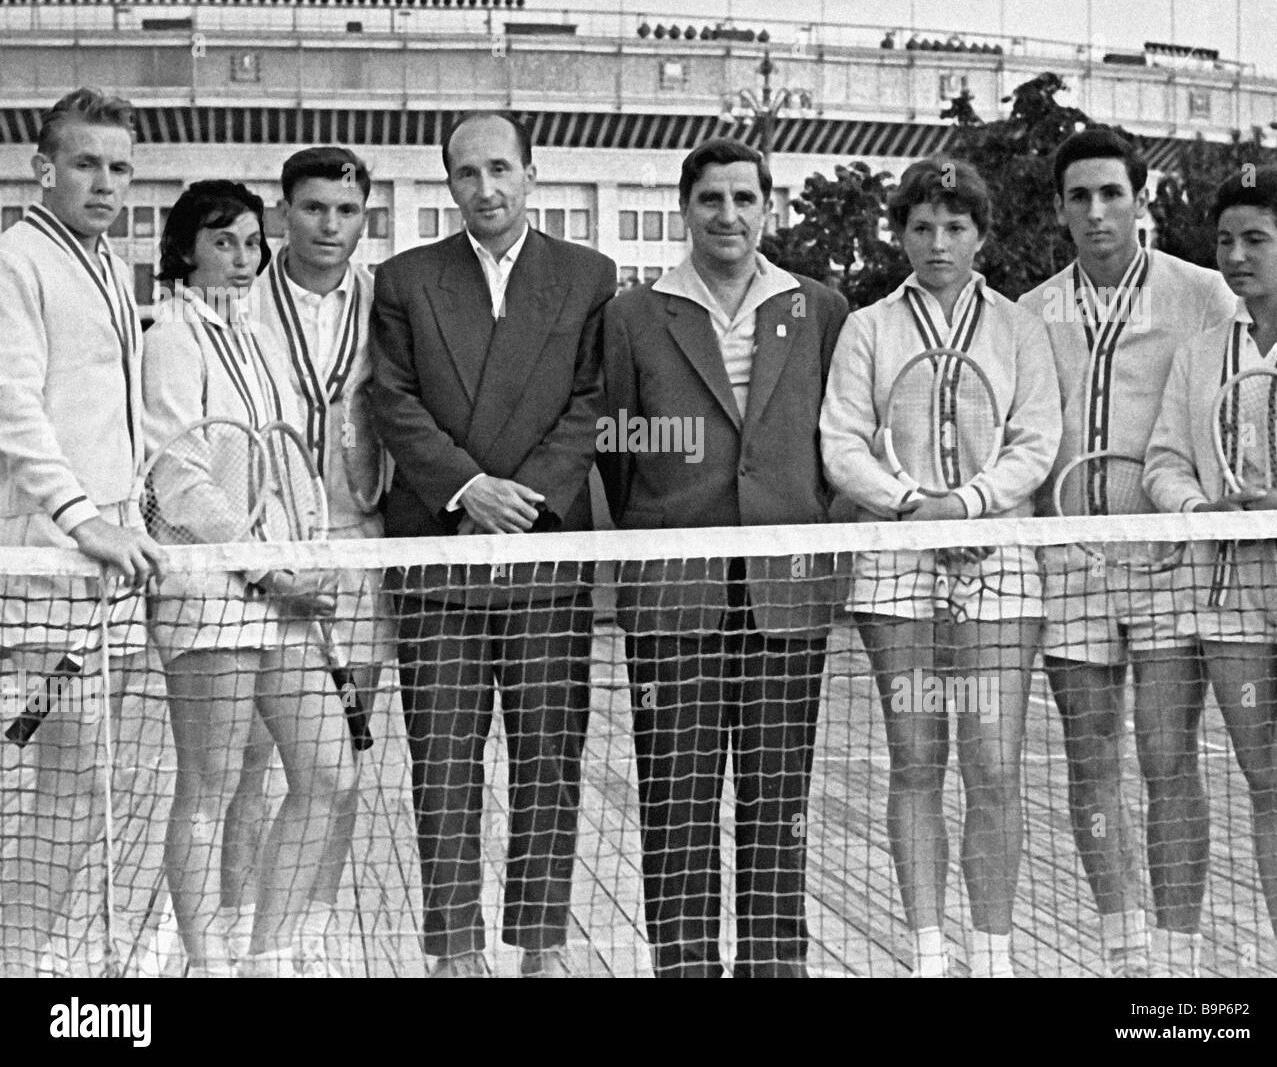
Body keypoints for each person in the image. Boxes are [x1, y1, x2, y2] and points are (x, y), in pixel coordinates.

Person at [370, 110, 616, 978]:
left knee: (550, 757)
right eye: (468, 174)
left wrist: (528, 497)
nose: (486, 189)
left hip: (543, 556)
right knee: (442, 767)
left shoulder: (588, 275)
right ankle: (452, 949)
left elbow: (589, 402)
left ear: (531, 174)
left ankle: (543, 941)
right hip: (438, 561)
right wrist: (470, 489)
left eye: (500, 170)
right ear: (449, 184)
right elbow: (393, 402)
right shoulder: (404, 280)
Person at [600, 137, 848, 978]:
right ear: (685, 208)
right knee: (676, 806)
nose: (729, 215)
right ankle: (684, 966)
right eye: (711, 199)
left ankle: (777, 967)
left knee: (779, 808)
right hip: (676, 598)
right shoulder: (634, 315)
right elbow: (619, 445)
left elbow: (832, 444)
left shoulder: (820, 307)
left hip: (785, 597)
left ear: (768, 207)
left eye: (745, 198)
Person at [821, 156, 1060, 977]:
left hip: (1000, 565)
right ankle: (929, 950)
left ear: (981, 234)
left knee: (993, 764)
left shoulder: (1018, 325)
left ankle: (990, 953)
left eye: (955, 227)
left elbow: (1037, 440)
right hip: (897, 571)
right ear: (900, 234)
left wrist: (967, 505)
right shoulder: (868, 326)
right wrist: (908, 505)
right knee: (916, 758)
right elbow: (842, 441)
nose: (938, 242)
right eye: (921, 227)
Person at [1019, 127, 1236, 977]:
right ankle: (1126, 951)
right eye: (1080, 196)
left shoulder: (1204, 293)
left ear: (1142, 199)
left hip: (1171, 564)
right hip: (1070, 565)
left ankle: (1179, 958)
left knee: (1168, 756)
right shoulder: (1032, 310)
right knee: (1090, 758)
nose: (1097, 211)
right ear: (1061, 209)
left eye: (1113, 193)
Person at [143, 180, 357, 977]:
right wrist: (266, 569)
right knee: (208, 786)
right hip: (208, 596)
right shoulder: (170, 336)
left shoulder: (258, 339)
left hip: (280, 602)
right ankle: (206, 964)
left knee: (330, 773)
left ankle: (268, 950)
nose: (241, 256)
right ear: (186, 249)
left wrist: (297, 561)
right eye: (221, 240)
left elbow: (278, 463)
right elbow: (181, 478)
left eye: (248, 240)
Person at [0, 87, 164, 977]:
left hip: (102, 570)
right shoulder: (18, 259)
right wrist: (80, 517)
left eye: (120, 166)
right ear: (44, 167)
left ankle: (22, 961)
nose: (106, 182)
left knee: (78, 792)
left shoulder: (101, 259)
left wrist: (124, 521)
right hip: (45, 566)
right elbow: (12, 406)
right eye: (87, 163)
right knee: (60, 789)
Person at [220, 146, 394, 975]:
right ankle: (239, 930)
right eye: (315, 207)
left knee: (344, 760)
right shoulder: (239, 302)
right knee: (254, 761)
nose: (331, 225)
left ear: (365, 217)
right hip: (263, 553)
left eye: (347, 211)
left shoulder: (383, 300)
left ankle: (307, 931)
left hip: (356, 547)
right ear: (284, 210)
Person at [1145, 166, 1277, 979]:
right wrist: (1200, 510)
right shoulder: (1204, 350)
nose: (1235, 256)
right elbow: (1165, 460)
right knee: (1266, 783)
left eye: (1256, 239)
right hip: (1229, 593)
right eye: (1224, 241)